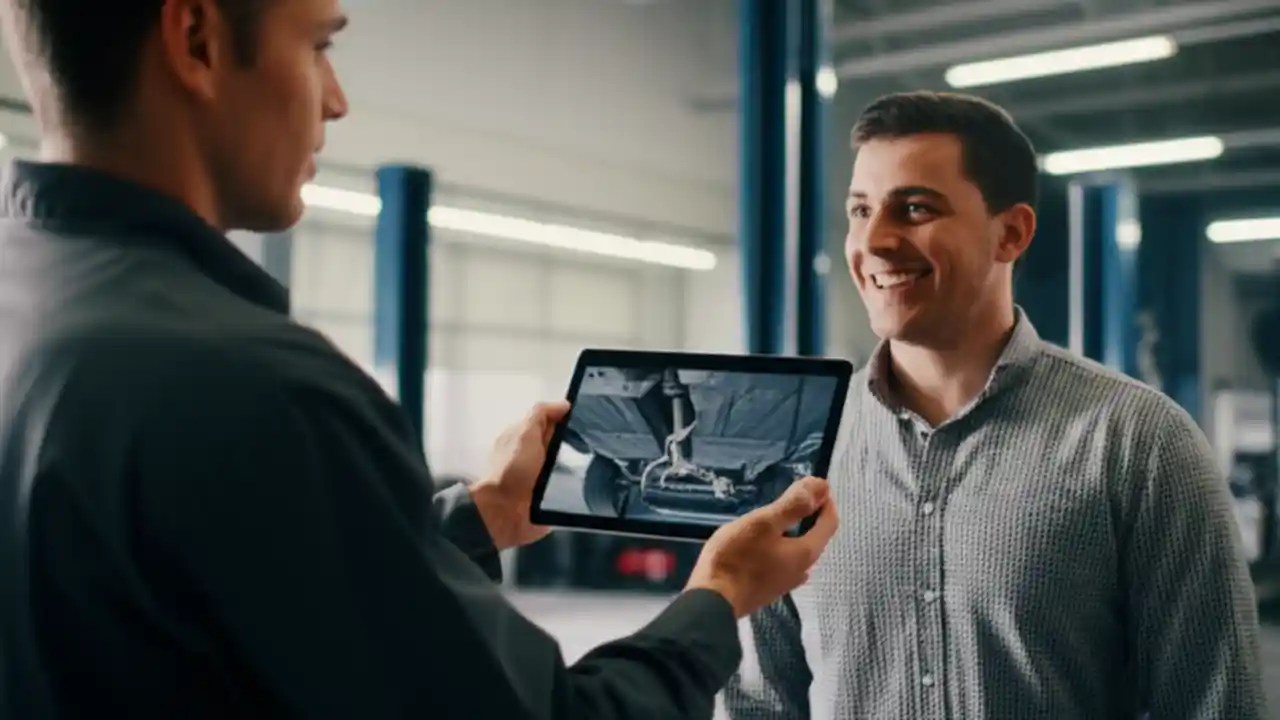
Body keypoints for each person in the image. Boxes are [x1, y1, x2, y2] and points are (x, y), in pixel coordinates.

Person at [0, 1, 840, 718]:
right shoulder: (260, 386)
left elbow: (242, 586)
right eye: (320, 45)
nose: (336, 101)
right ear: (196, 38)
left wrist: (478, 517)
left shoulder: (31, 303)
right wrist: (720, 595)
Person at [723, 91, 1267, 719]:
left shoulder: (1138, 443)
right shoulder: (801, 445)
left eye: (915, 208)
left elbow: (1215, 705)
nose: (873, 242)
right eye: (860, 210)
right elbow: (757, 701)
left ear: (1011, 232)